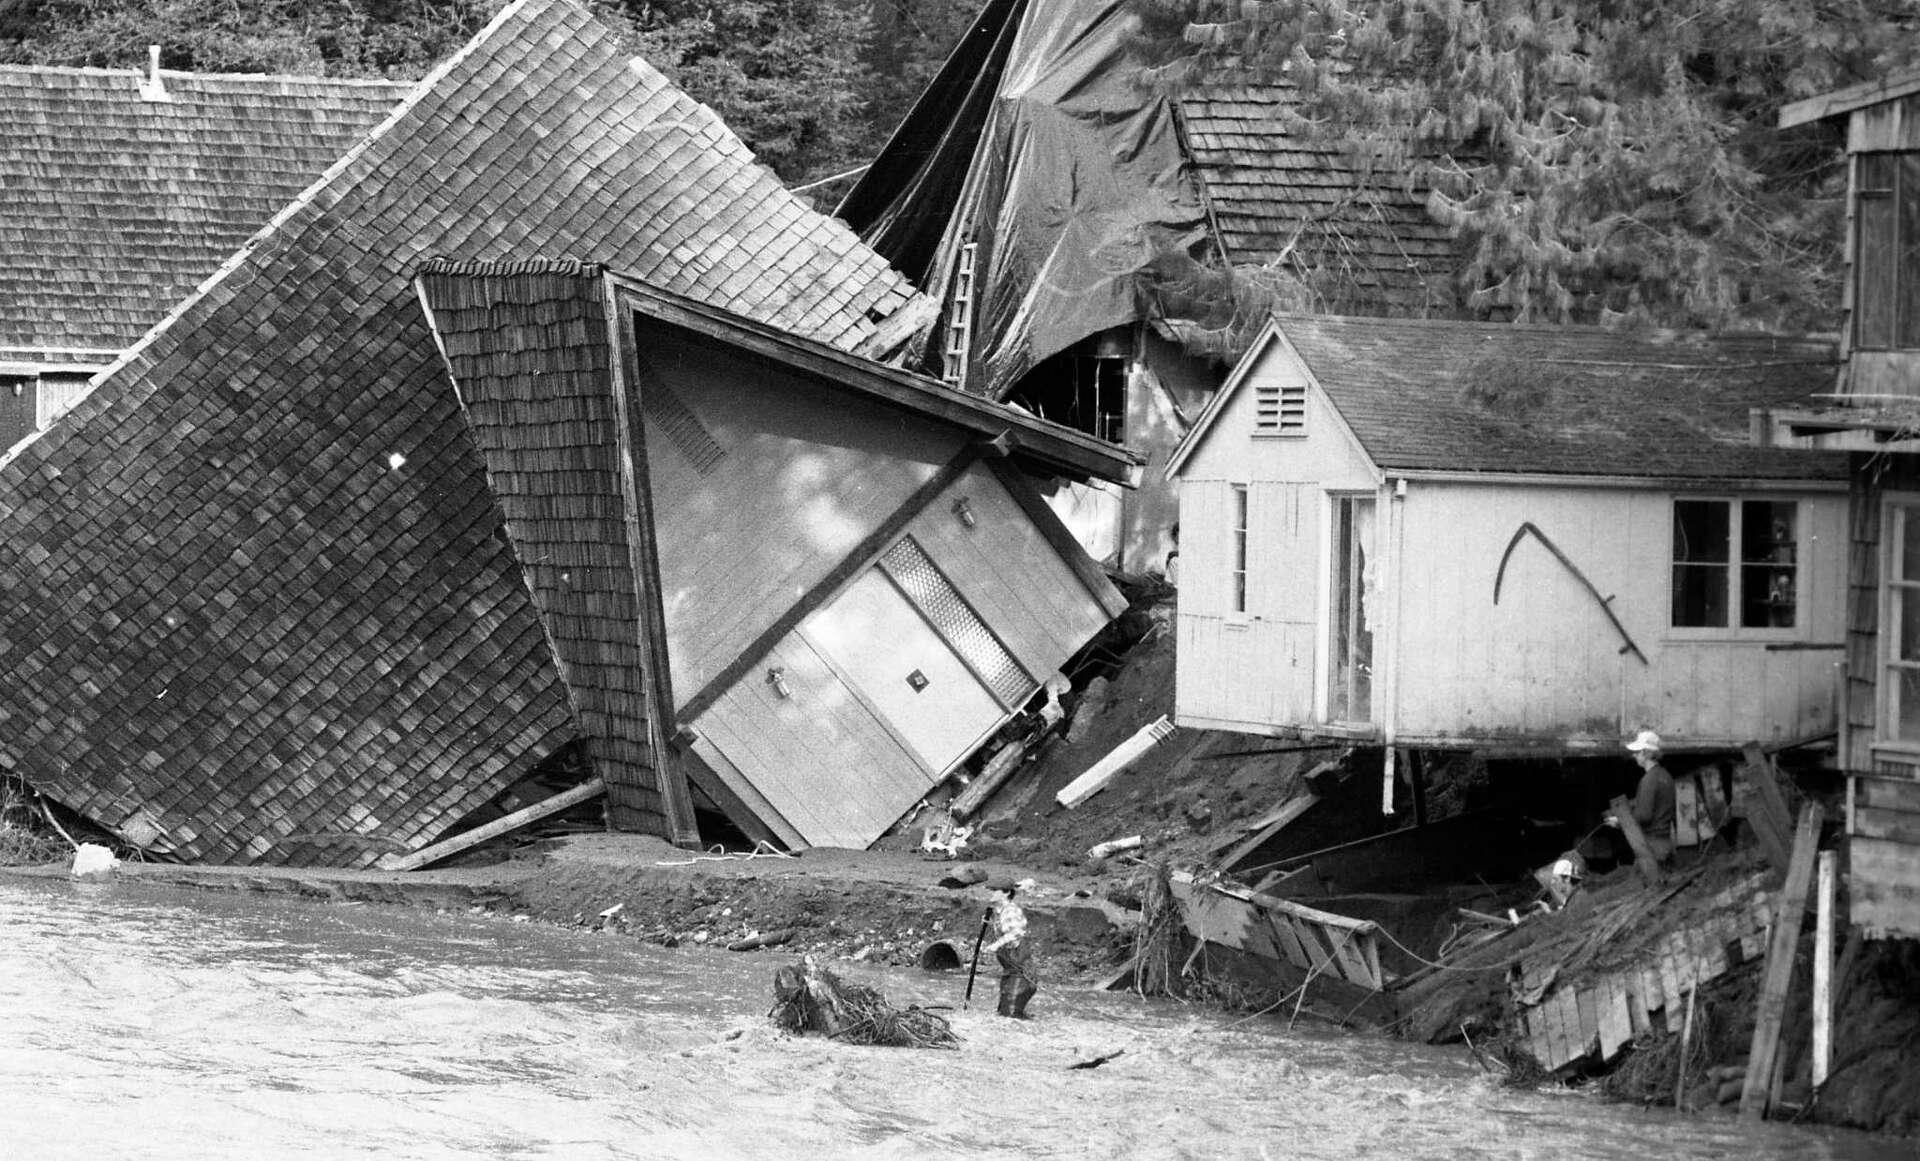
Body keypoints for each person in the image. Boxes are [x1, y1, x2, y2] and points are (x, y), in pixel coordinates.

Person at [1607, 728, 1676, 865]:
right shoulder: (1665, 776)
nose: (1634, 756)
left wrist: (1620, 821)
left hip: (1652, 845)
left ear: (1647, 753)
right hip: (1666, 842)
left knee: (1650, 883)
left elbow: (1644, 816)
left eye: (1637, 752)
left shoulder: (1648, 780)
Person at [984, 876, 1036, 1018]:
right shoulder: (999, 911)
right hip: (1011, 971)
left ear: (1006, 893)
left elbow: (1015, 932)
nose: (991, 893)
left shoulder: (1009, 911)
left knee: (1010, 1016)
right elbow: (1005, 929)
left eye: (995, 890)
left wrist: (995, 945)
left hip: (1021, 973)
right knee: (1004, 1013)